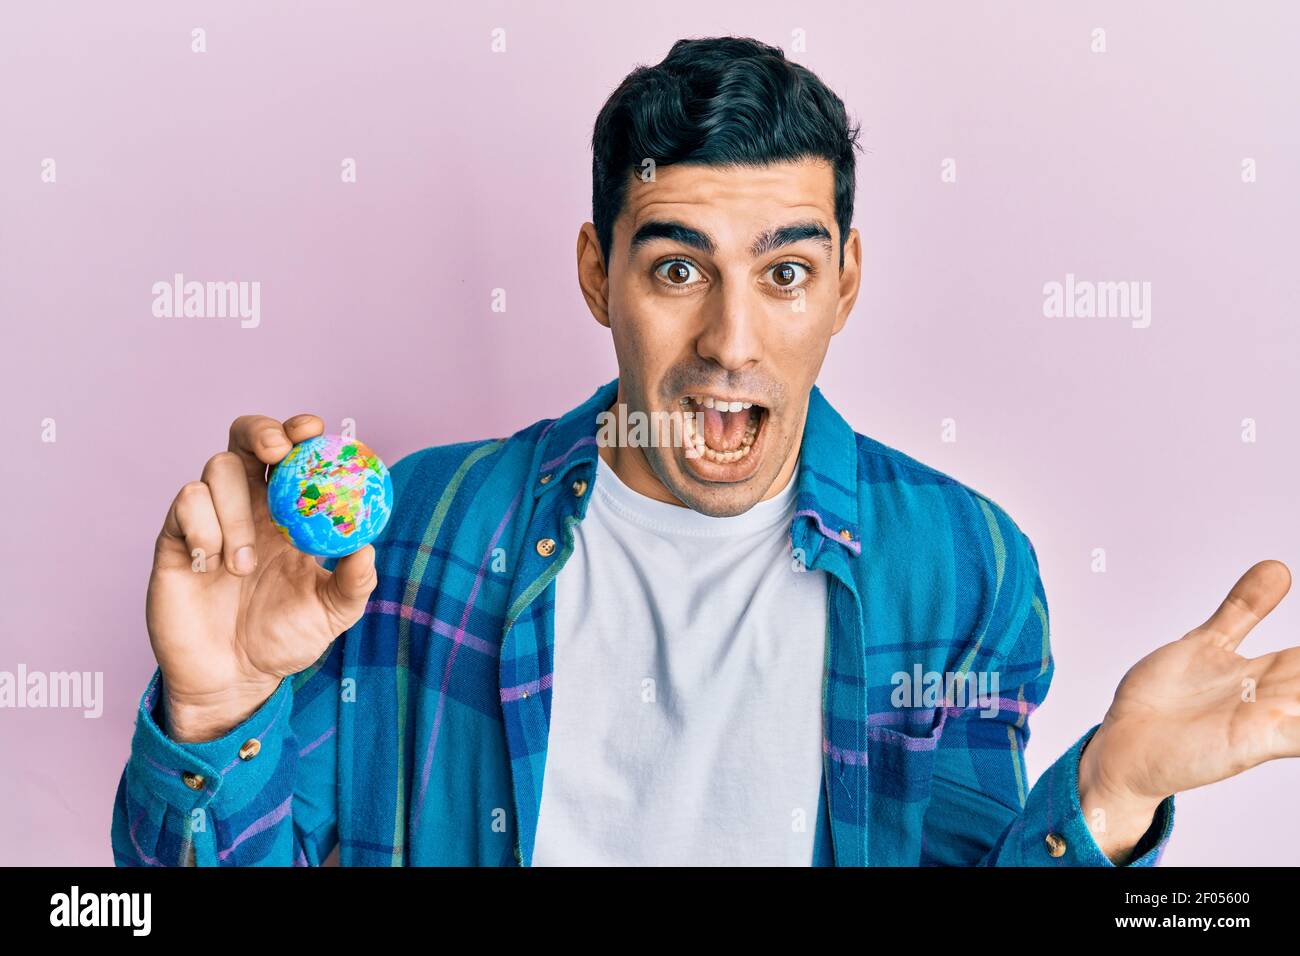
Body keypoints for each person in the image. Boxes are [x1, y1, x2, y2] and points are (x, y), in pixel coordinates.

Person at [112, 36, 1296, 867]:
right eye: (678, 269)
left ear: (843, 283)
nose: (731, 339)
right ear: (597, 275)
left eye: (784, 272)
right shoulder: (409, 538)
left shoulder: (960, 562)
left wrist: (1109, 799)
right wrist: (216, 708)